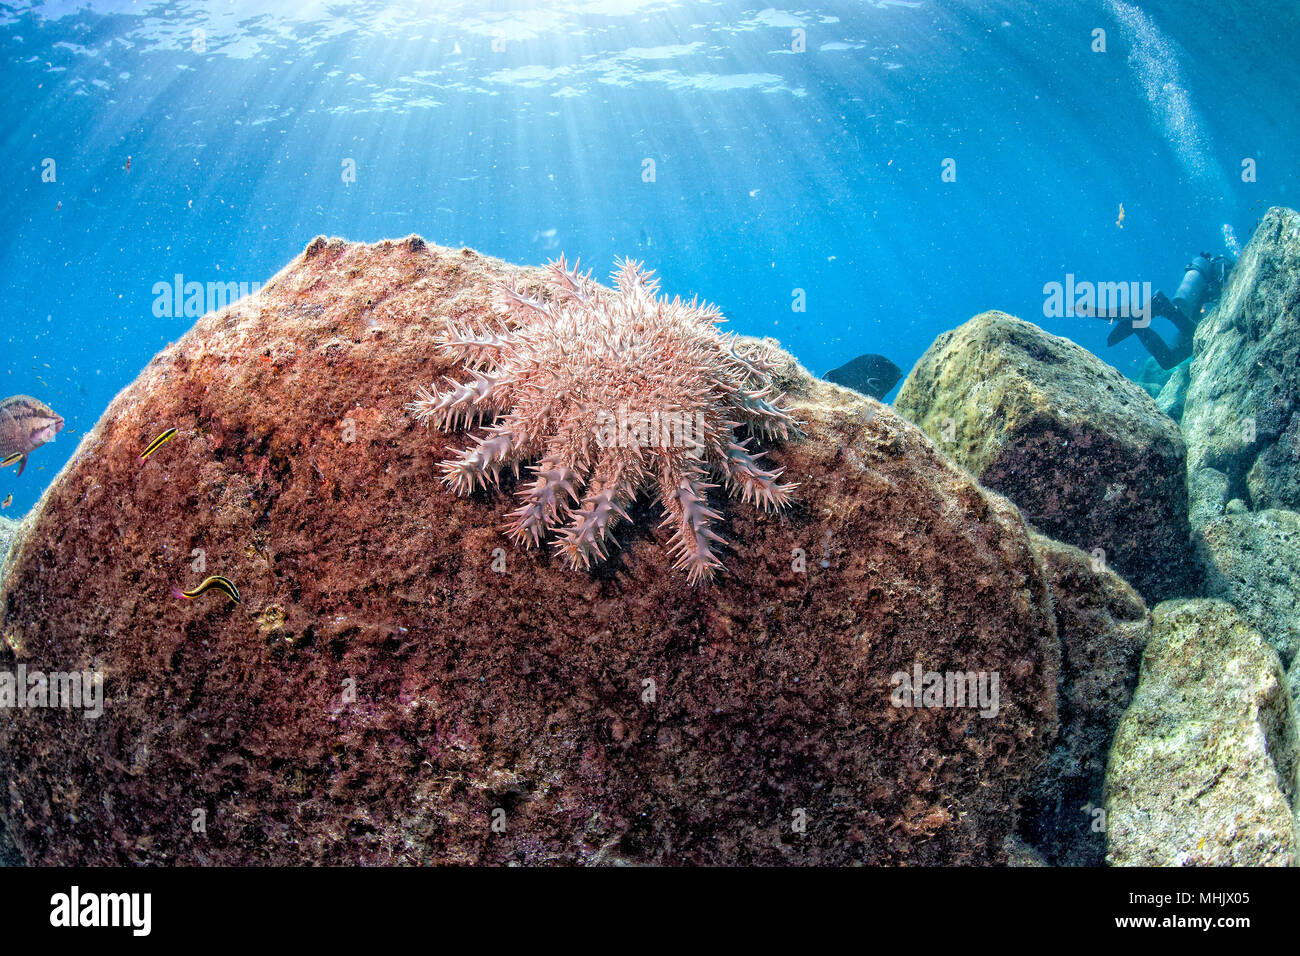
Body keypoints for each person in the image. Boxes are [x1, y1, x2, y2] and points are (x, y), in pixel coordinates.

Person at [1107, 252, 1233, 370]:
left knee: (1168, 361)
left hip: (1190, 315)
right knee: (1195, 338)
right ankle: (1164, 308)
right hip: (1201, 316)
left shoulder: (1215, 272)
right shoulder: (1227, 272)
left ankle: (1137, 323)